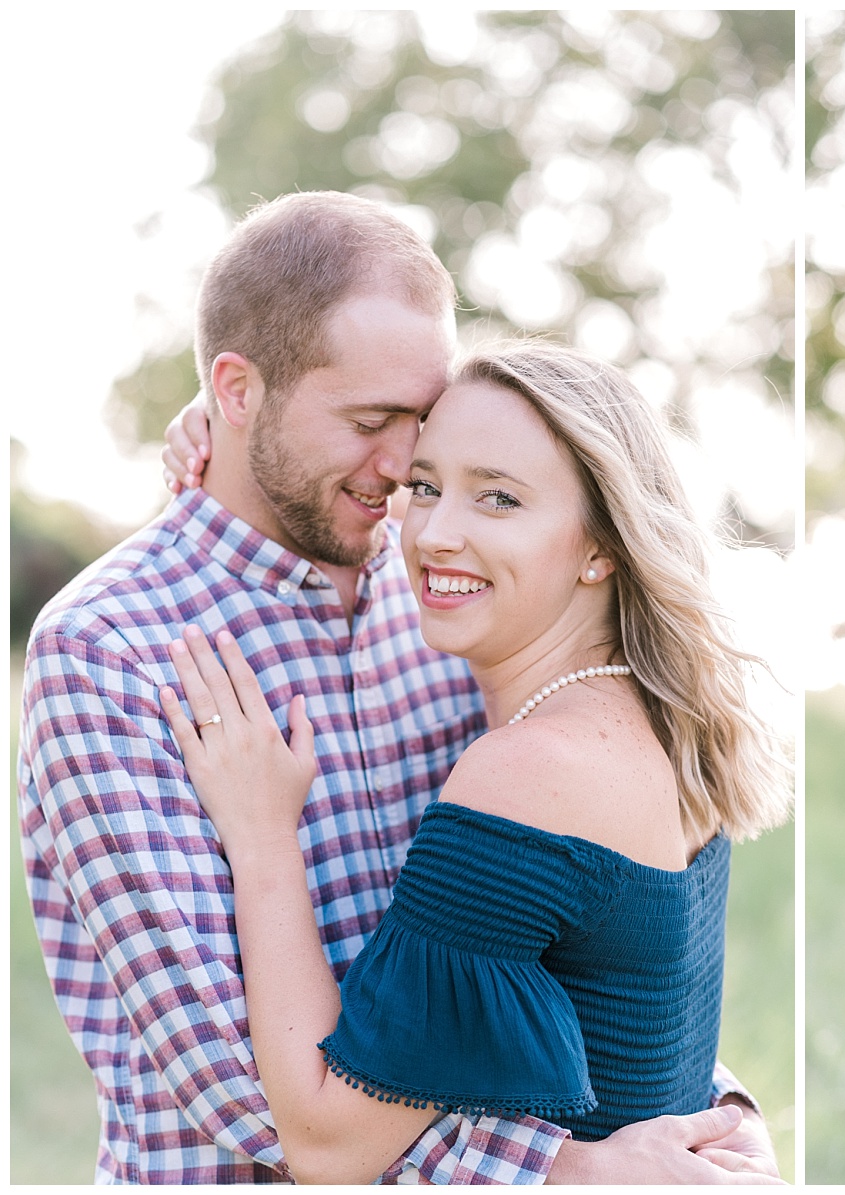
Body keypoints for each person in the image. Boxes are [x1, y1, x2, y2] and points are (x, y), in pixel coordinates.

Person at [19, 190, 781, 1184]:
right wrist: (562, 1170)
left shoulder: (449, 602)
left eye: (418, 426)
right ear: (236, 392)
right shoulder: (115, 650)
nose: (401, 476)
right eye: (370, 422)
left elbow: (552, 941)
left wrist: (704, 1107)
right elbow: (246, 1090)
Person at [158, 338, 792, 1184]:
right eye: (423, 485)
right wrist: (230, 427)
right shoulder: (664, 714)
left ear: (602, 545)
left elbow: (325, 1142)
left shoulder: (529, 772)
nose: (435, 533)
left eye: (499, 498)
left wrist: (264, 831)